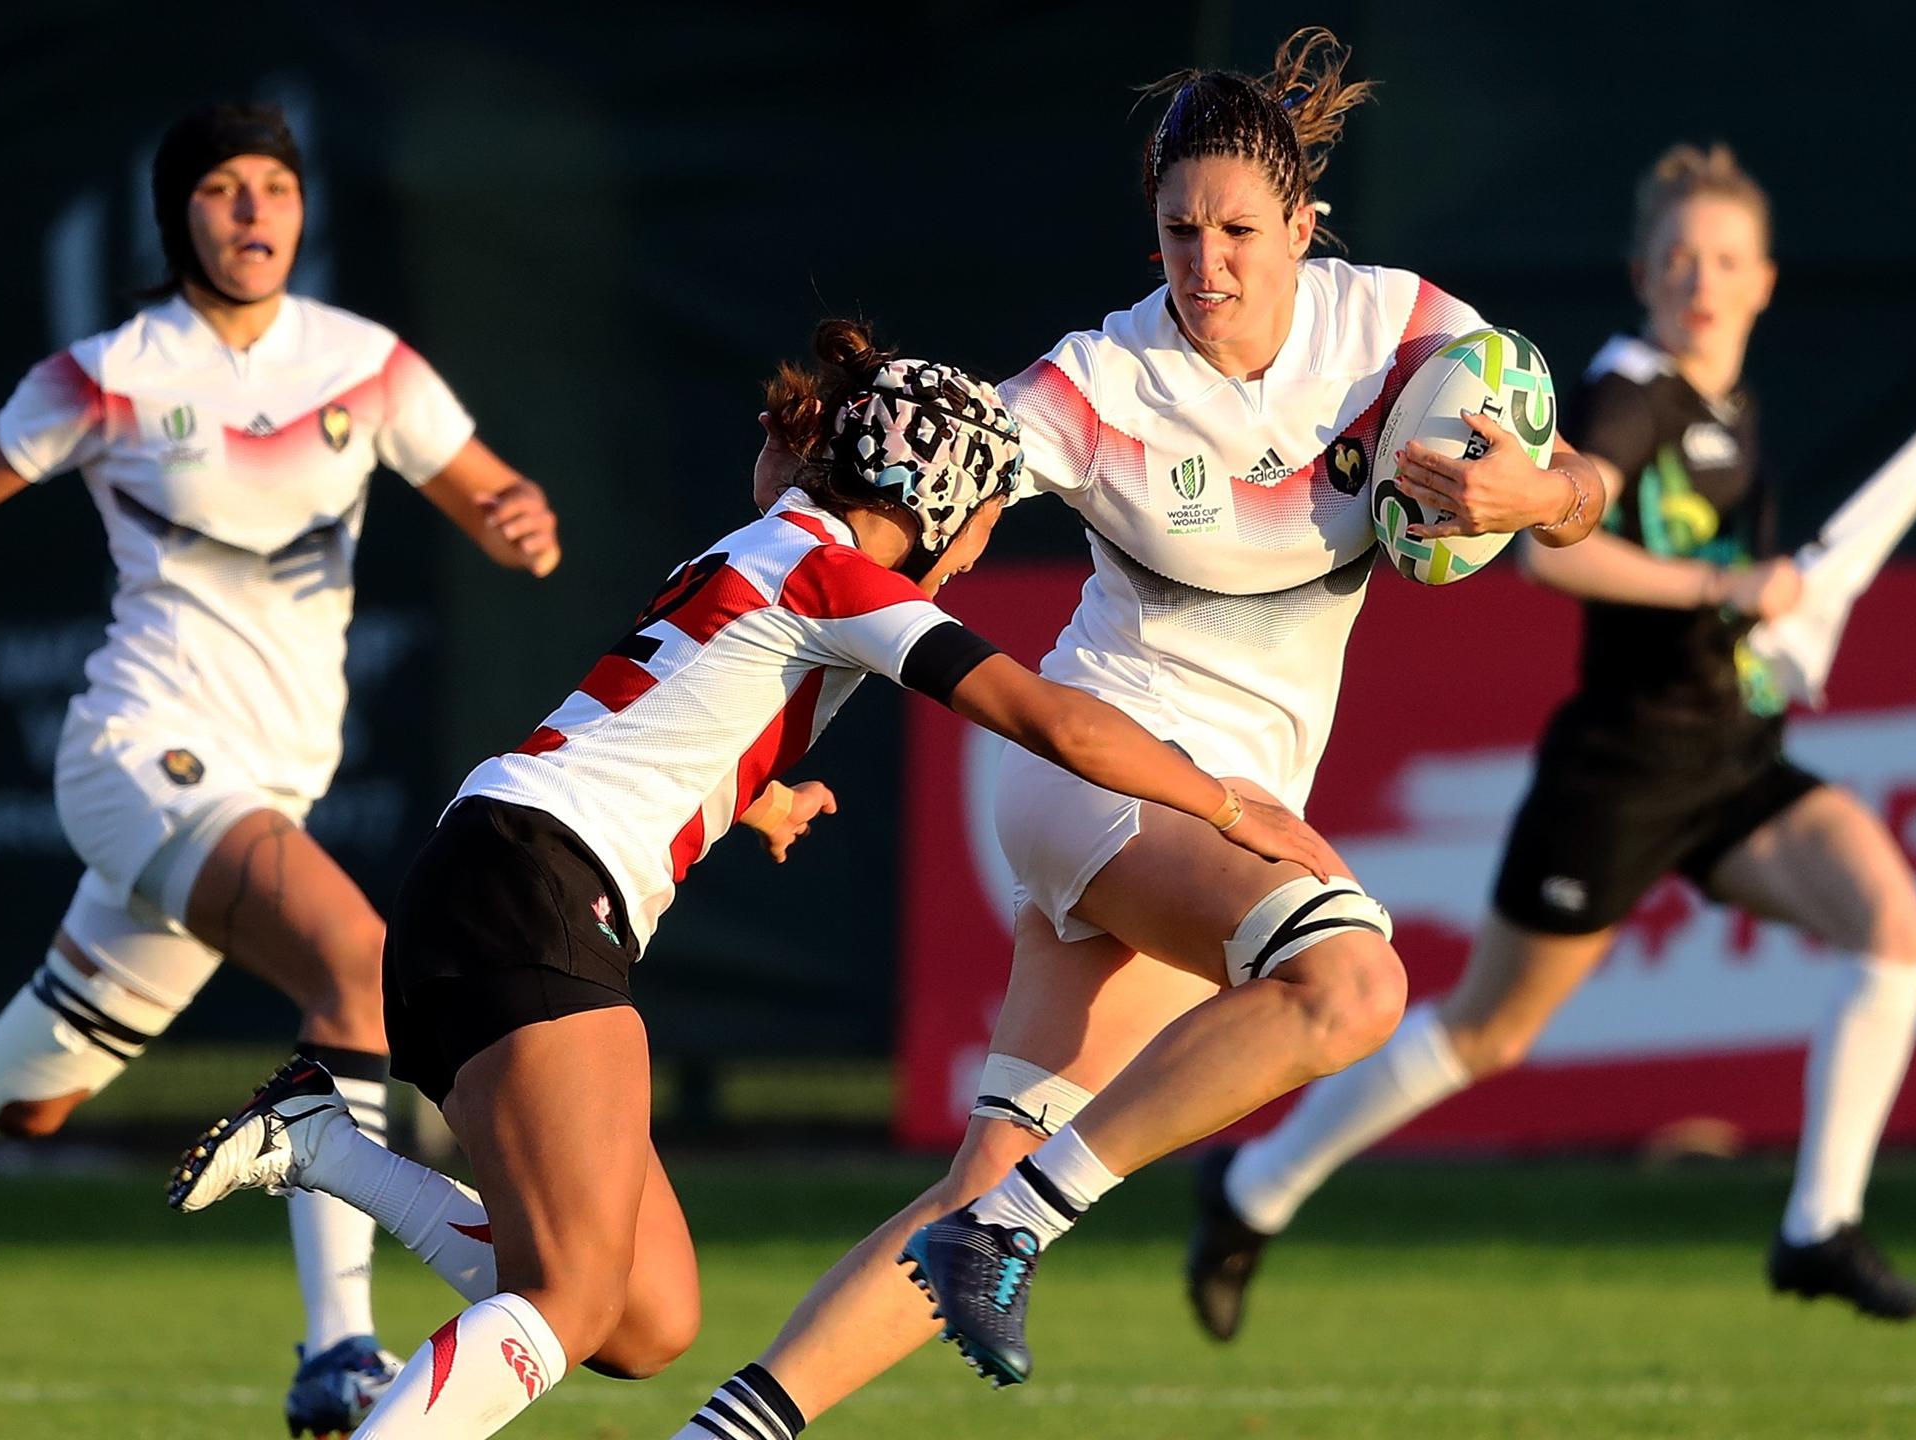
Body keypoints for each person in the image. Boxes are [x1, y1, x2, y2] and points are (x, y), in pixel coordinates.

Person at [647, 29, 1606, 1437]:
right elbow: (907, 493)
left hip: (1215, 814)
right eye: (1177, 231)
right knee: (1352, 984)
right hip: (1096, 775)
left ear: (1304, 226)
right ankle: (1015, 1232)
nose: (1204, 265)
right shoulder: (1104, 382)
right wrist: (812, 479)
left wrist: (1541, 499)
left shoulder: (1402, 330)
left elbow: (1576, 481)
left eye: (1237, 231)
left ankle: (732, 1425)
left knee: (977, 1183)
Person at [161, 319, 1340, 1440]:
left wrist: (753, 792)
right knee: (573, 1296)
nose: (980, 551)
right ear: (938, 504)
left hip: (489, 878)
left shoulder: (772, 542)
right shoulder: (837, 575)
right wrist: (1233, 808)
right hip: (535, 890)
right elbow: (1056, 723)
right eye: (986, 521)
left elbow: (678, 702)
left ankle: (324, 1142)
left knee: (645, 1319)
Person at [0, 102, 563, 1433]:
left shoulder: (362, 364)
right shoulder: (116, 371)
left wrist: (517, 522)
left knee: (17, 1092)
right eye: (224, 188)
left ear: (302, 212)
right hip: (144, 753)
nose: (253, 211)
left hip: (262, 787)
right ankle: (340, 1354)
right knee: (354, 962)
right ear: (178, 215)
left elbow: (492, 494)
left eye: (274, 189)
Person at [1186, 142, 1916, 1336]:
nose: (1701, 279)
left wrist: (1763, 637)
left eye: (1725, 260)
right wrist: (1724, 591)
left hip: (1730, 757)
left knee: (1894, 928)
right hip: (1622, 770)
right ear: (1642, 273)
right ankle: (1251, 1188)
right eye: (1679, 257)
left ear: (1763, 283)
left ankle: (1818, 1229)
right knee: (1486, 1033)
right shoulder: (1630, 393)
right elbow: (1553, 552)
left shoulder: (1729, 406)